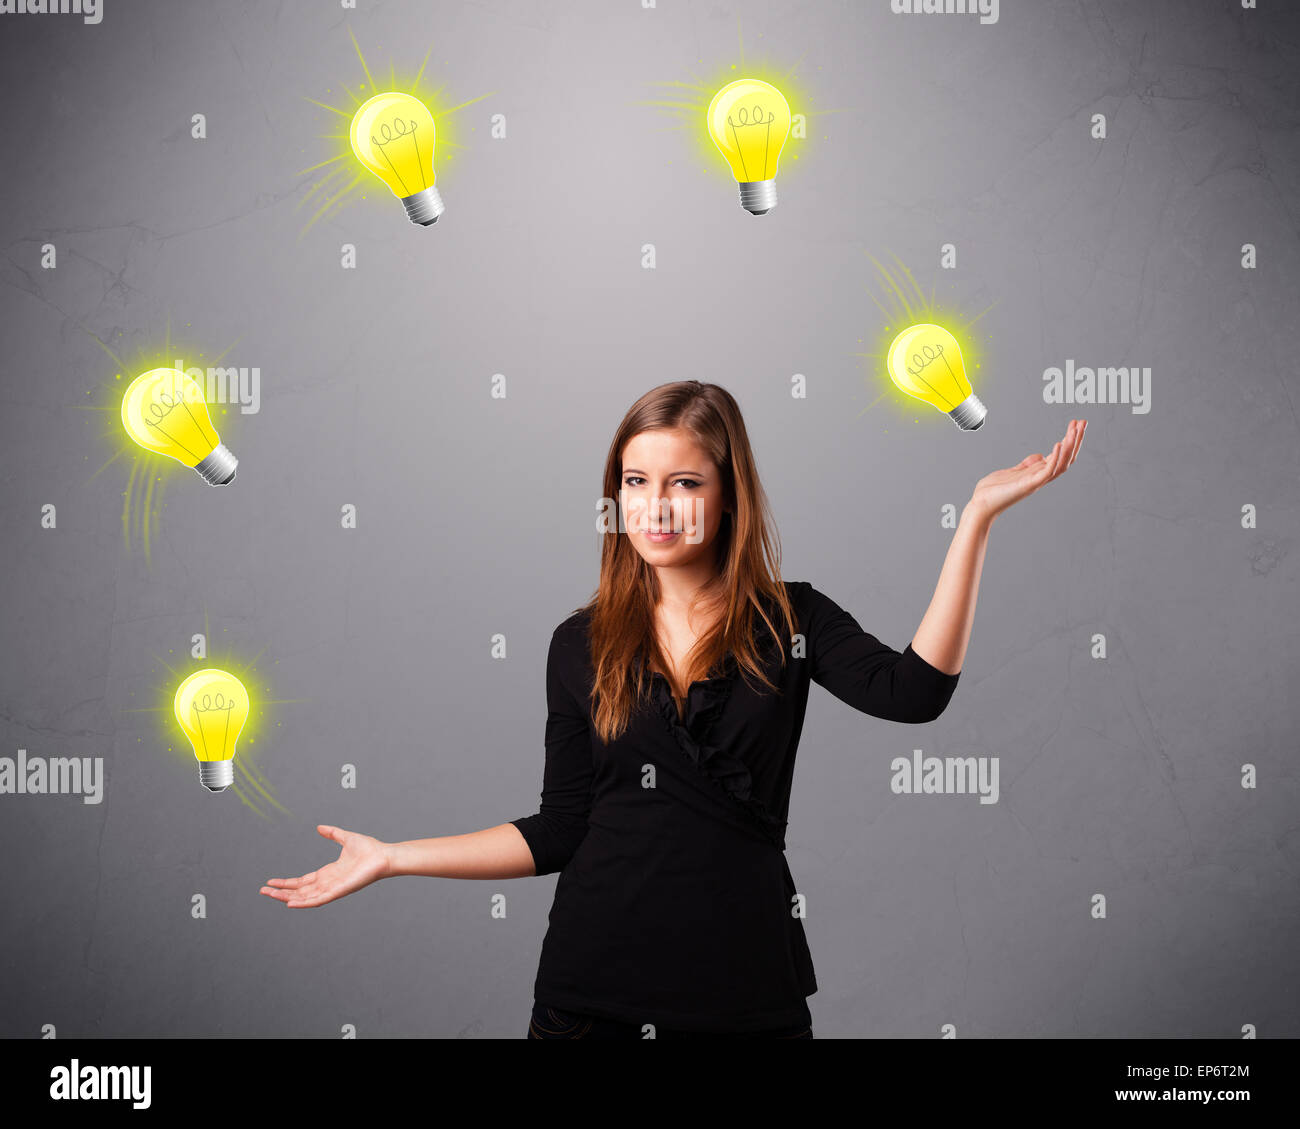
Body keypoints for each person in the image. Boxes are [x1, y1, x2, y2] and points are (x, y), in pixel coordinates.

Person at [261, 381, 1086, 1039]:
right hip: (590, 1002)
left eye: (683, 482)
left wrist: (974, 519)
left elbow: (915, 694)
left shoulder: (790, 618)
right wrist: (394, 856)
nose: (653, 507)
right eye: (634, 481)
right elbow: (560, 827)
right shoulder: (575, 642)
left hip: (745, 997)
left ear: (729, 494)